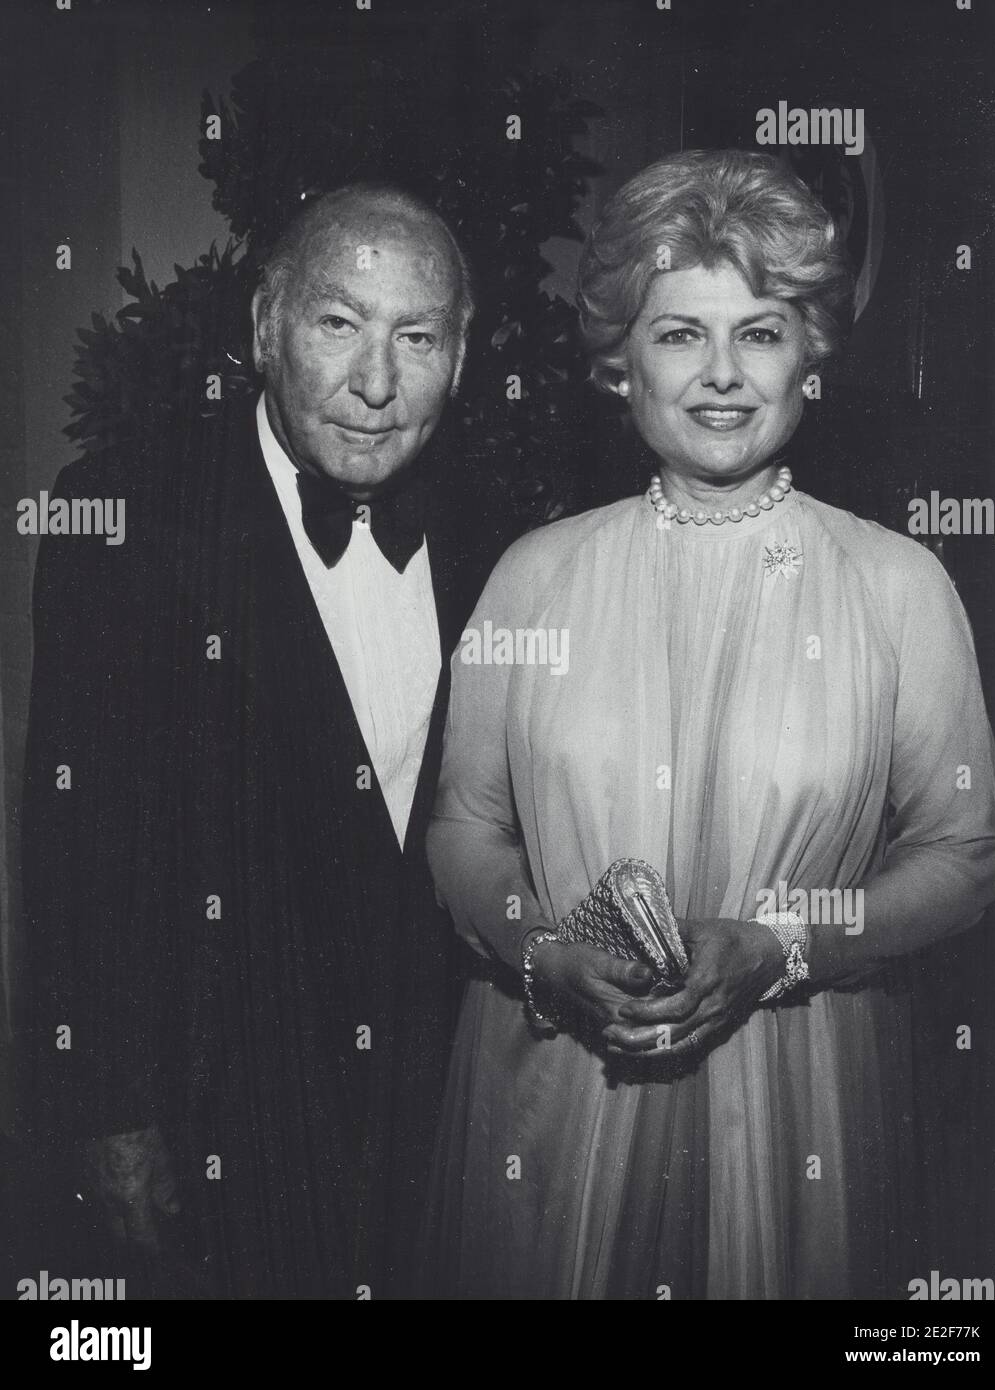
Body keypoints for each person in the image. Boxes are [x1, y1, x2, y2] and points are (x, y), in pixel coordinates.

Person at [421, 150, 995, 1299]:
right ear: (617, 365)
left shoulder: (898, 585)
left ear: (814, 359)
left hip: (798, 1096)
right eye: (680, 334)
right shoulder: (530, 576)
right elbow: (462, 826)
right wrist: (541, 950)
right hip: (550, 1095)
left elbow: (966, 856)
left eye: (763, 330)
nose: (722, 375)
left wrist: (780, 944)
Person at [20, 183, 509, 1298]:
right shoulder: (129, 517)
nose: (377, 385)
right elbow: (76, 847)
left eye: (416, 336)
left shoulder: (495, 531)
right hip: (216, 1105)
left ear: (463, 354)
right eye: (337, 324)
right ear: (262, 328)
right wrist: (109, 1115)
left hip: (435, 1110)